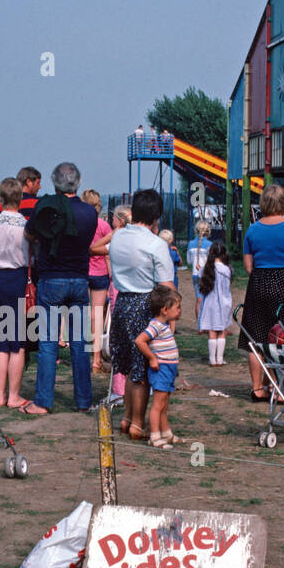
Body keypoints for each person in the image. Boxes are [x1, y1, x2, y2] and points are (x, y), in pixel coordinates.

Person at [21, 162, 98, 416]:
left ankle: (43, 401)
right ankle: (84, 400)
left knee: (48, 343)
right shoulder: (90, 213)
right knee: (79, 343)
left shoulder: (45, 206)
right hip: (79, 280)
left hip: (52, 278)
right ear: (78, 182)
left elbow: (30, 233)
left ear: (55, 182)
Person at [107, 190, 175, 438]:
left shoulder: (118, 237)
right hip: (145, 304)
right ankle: (137, 423)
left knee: (126, 366)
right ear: (157, 215)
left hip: (122, 301)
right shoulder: (156, 244)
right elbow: (167, 287)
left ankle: (126, 419)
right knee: (143, 370)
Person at [238, 184, 284, 402]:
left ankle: (257, 388)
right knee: (283, 337)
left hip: (259, 284)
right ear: (283, 204)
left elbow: (248, 265)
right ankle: (278, 388)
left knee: (256, 337)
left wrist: (261, 277)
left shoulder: (252, 230)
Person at [0, 177, 31, 408]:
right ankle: (13, 395)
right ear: (20, 199)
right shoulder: (25, 226)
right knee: (18, 342)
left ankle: (0, 395)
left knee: (1, 341)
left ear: (0, 199)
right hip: (18, 278)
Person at [135, 285, 182, 449]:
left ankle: (166, 432)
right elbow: (140, 340)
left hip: (169, 369)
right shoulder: (155, 326)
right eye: (177, 308)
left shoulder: (165, 325)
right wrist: (152, 358)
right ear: (164, 310)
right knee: (158, 404)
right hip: (161, 369)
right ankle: (155, 436)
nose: (180, 311)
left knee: (164, 404)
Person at [99, 204, 133, 403]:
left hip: (117, 289)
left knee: (118, 338)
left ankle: (120, 388)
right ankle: (136, 384)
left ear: (119, 221)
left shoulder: (115, 242)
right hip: (134, 290)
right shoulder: (136, 241)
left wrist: (114, 233)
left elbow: (94, 248)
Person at [80, 188, 113, 374]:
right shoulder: (103, 226)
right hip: (100, 273)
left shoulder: (79, 225)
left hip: (82, 271)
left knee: (81, 314)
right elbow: (109, 252)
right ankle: (97, 359)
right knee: (97, 315)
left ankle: (82, 353)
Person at [0, 166, 40, 235]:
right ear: (29, 182)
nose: (40, 187)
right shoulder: (38, 204)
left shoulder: (3, 204)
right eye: (38, 183)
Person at [197, 241, 233, 365]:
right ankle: (220, 359)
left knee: (212, 330)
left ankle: (212, 359)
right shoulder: (227, 270)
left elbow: (199, 276)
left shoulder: (206, 269)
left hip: (209, 303)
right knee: (222, 330)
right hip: (224, 302)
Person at [187, 220, 213, 327]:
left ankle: (199, 326)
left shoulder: (190, 244)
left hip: (195, 274)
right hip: (207, 275)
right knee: (208, 300)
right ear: (208, 231)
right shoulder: (210, 245)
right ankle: (208, 325)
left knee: (199, 300)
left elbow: (188, 262)